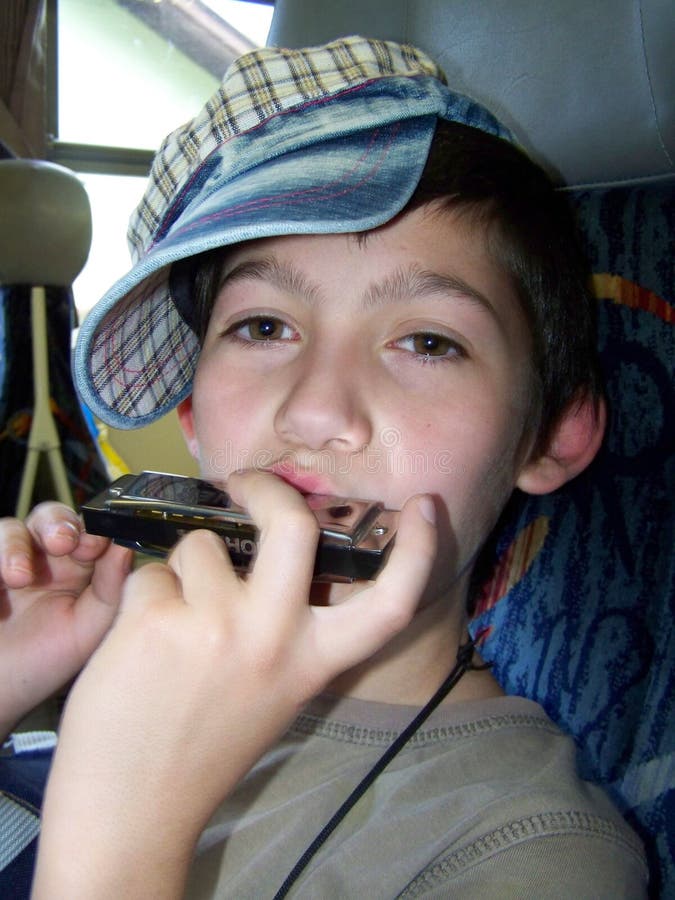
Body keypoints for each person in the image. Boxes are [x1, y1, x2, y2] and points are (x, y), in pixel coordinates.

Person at [0, 37, 647, 897]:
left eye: (427, 342)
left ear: (551, 435)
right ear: (193, 419)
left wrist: (119, 833)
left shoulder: (533, 857)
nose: (312, 411)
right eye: (264, 327)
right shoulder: (129, 673)